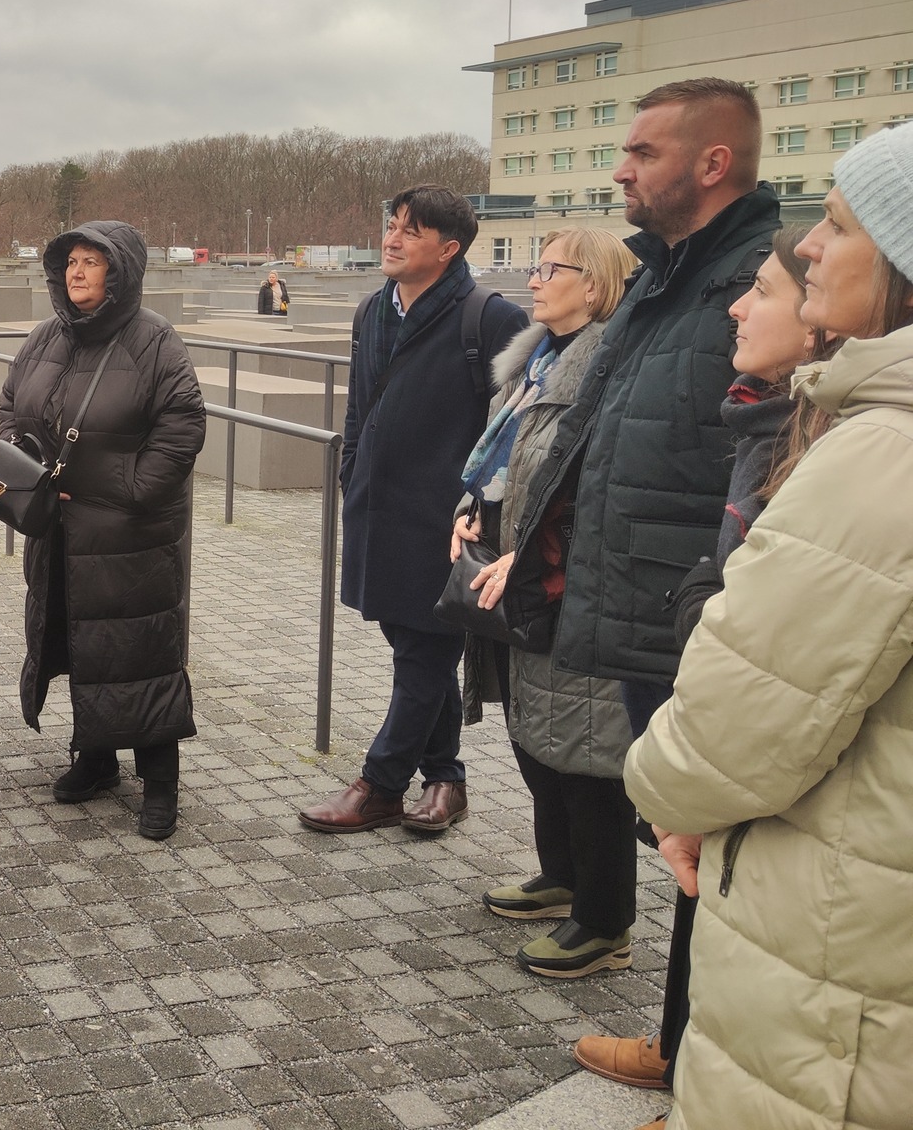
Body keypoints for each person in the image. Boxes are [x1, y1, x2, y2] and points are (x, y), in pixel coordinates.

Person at [624, 127, 913, 1130]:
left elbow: (731, 734)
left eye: (835, 226)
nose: (812, 250)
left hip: (843, 960)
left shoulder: (882, 459)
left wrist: (665, 795)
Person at [573, 226, 821, 1115]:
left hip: (741, 740)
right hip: (697, 689)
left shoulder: (828, 442)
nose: (738, 307)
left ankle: (695, 1081)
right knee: (702, 890)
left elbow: (776, 650)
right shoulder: (764, 412)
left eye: (766, 290)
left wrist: (682, 792)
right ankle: (680, 1052)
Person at [299, 186, 527, 836]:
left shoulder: (489, 317)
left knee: (426, 652)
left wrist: (485, 506)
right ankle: (447, 780)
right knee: (411, 644)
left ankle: (380, 785)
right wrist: (351, 473)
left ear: (449, 249)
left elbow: (515, 426)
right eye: (391, 225)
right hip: (378, 508)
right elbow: (359, 400)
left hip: (446, 522)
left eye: (410, 231)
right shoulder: (374, 308)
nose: (392, 239)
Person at [553, 78, 779, 728]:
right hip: (640, 619)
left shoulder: (767, 282)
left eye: (645, 155)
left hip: (702, 634)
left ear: (713, 164)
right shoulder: (661, 274)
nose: (622, 172)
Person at [447, 228, 642, 979]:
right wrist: (469, 512)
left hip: (565, 584)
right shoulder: (534, 361)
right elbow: (502, 464)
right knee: (536, 737)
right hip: (514, 575)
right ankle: (560, 877)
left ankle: (604, 923)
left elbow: (591, 492)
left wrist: (523, 551)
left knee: (587, 754)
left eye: (549, 268)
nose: (532, 280)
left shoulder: (607, 372)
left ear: (592, 286)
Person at [0, 222, 206, 839]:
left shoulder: (155, 342)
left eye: (93, 262)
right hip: (59, 531)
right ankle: (95, 758)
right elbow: (12, 405)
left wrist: (125, 488)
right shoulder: (45, 337)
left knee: (140, 652)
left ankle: (160, 782)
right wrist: (25, 463)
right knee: (78, 640)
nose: (78, 272)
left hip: (131, 536)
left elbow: (183, 426)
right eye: (71, 262)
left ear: (122, 274)